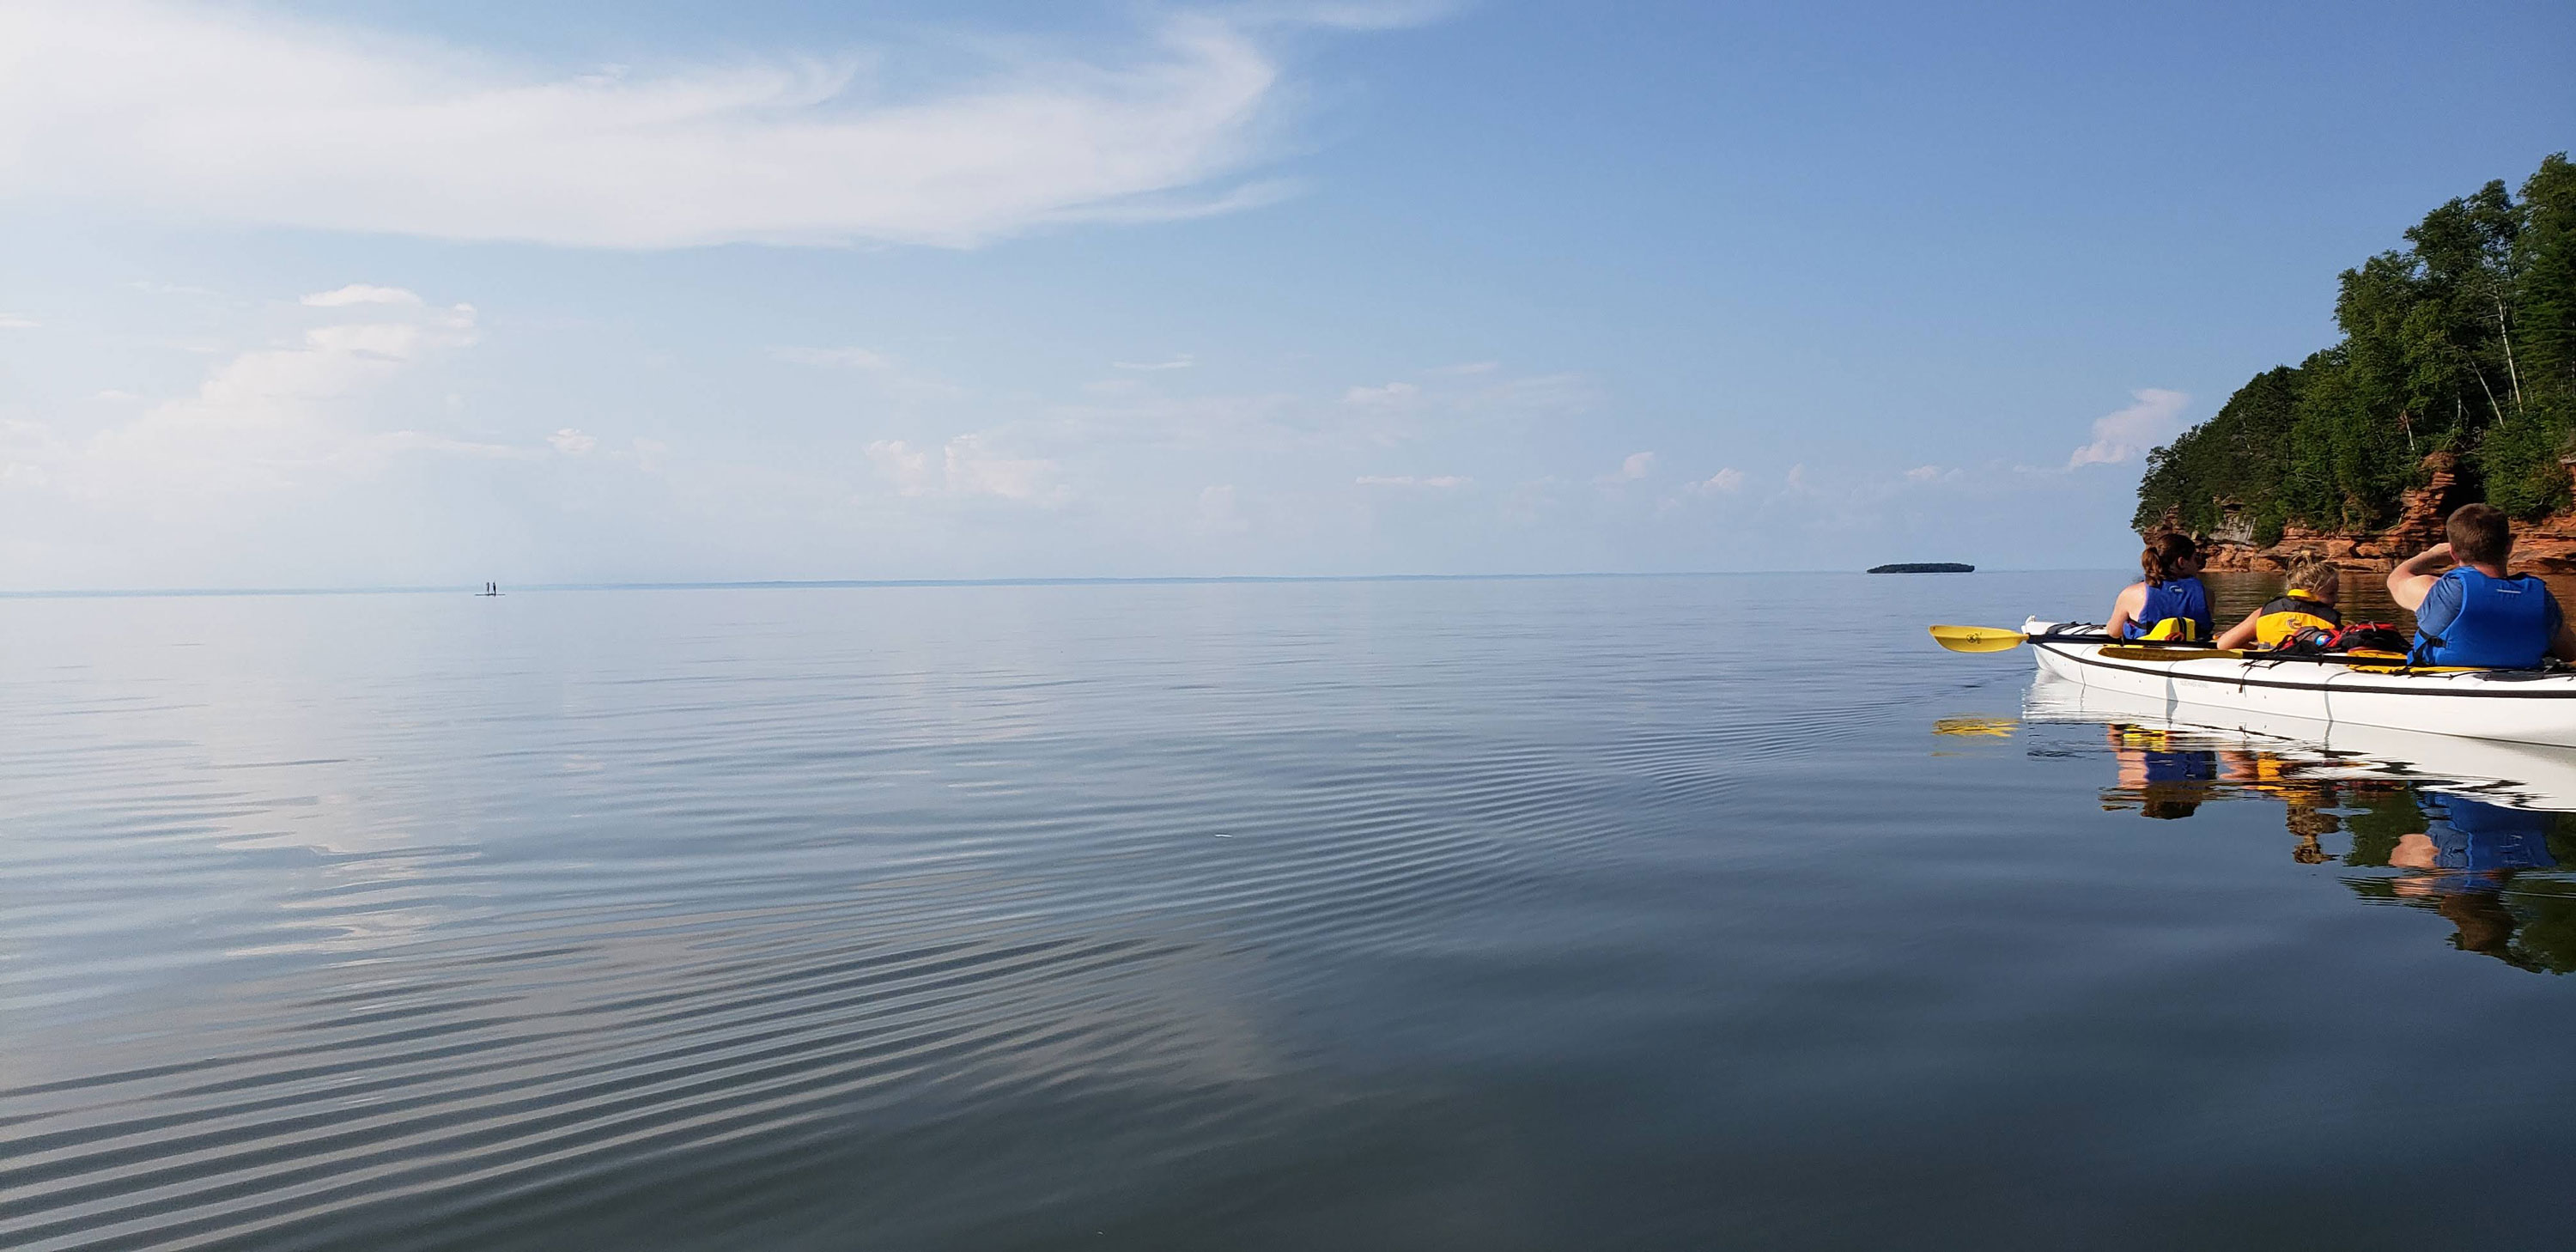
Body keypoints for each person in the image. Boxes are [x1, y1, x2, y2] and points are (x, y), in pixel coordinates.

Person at [2386, 502, 2576, 668]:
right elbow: (2570, 653)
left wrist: (2432, 554)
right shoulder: (2542, 599)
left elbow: (2395, 580)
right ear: (2509, 546)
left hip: (2445, 680)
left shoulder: (2441, 591)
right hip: (2523, 682)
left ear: (2453, 553)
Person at [2211, 556, 2341, 651]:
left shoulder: (2264, 612)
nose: (2337, 599)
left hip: (2268, 665)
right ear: (2308, 591)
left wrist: (2257, 646)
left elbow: (2223, 644)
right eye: (2331, 594)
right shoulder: (2331, 619)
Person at [2105, 532, 2213, 641]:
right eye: (2195, 559)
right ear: (2181, 562)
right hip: (2193, 651)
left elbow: (2115, 632)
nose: (2198, 565)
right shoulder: (2206, 593)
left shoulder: (2133, 593)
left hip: (2146, 651)